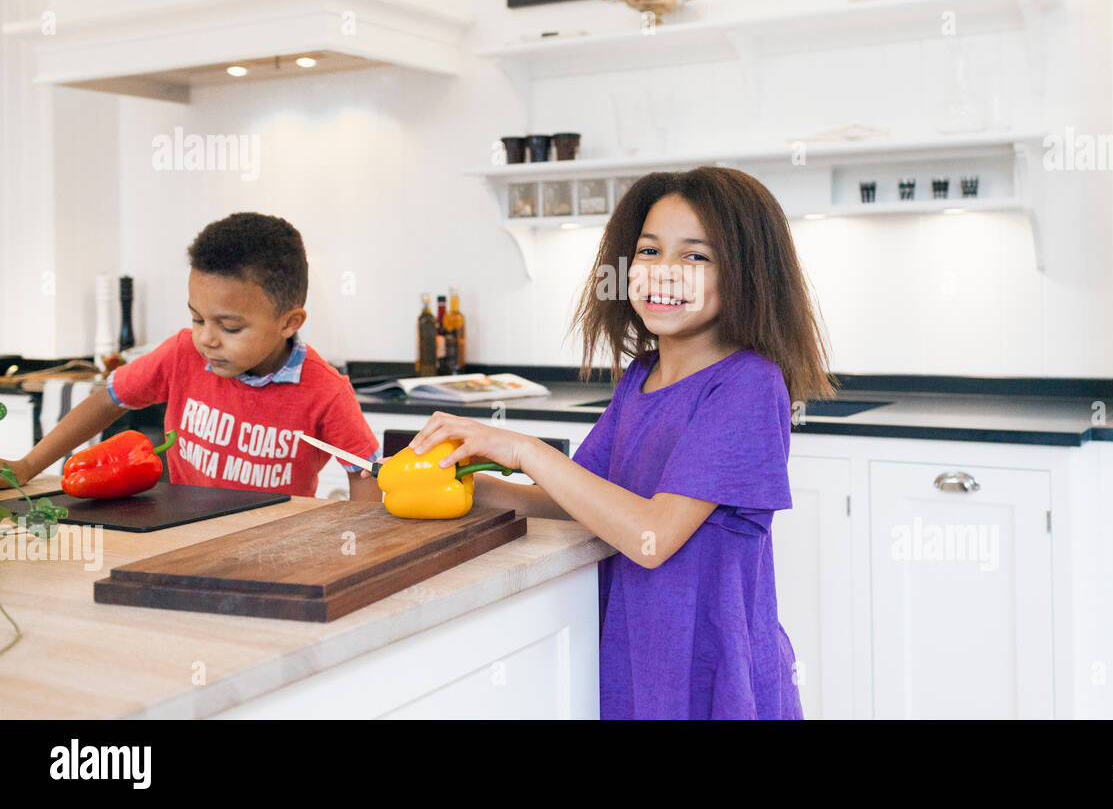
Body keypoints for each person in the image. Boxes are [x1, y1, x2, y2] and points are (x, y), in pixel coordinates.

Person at [408, 166, 835, 718]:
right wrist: (462, 482)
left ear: (747, 275)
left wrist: (526, 450)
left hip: (706, 670)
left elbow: (651, 536)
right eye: (650, 251)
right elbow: (582, 505)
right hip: (637, 659)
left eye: (696, 257)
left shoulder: (747, 385)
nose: (664, 273)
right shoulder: (642, 377)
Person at [3, 212, 379, 500]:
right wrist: (28, 466)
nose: (206, 339)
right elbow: (108, 399)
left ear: (289, 322)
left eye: (229, 327)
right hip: (186, 537)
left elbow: (363, 474)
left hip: (277, 555)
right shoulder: (182, 353)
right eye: (197, 318)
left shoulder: (326, 391)